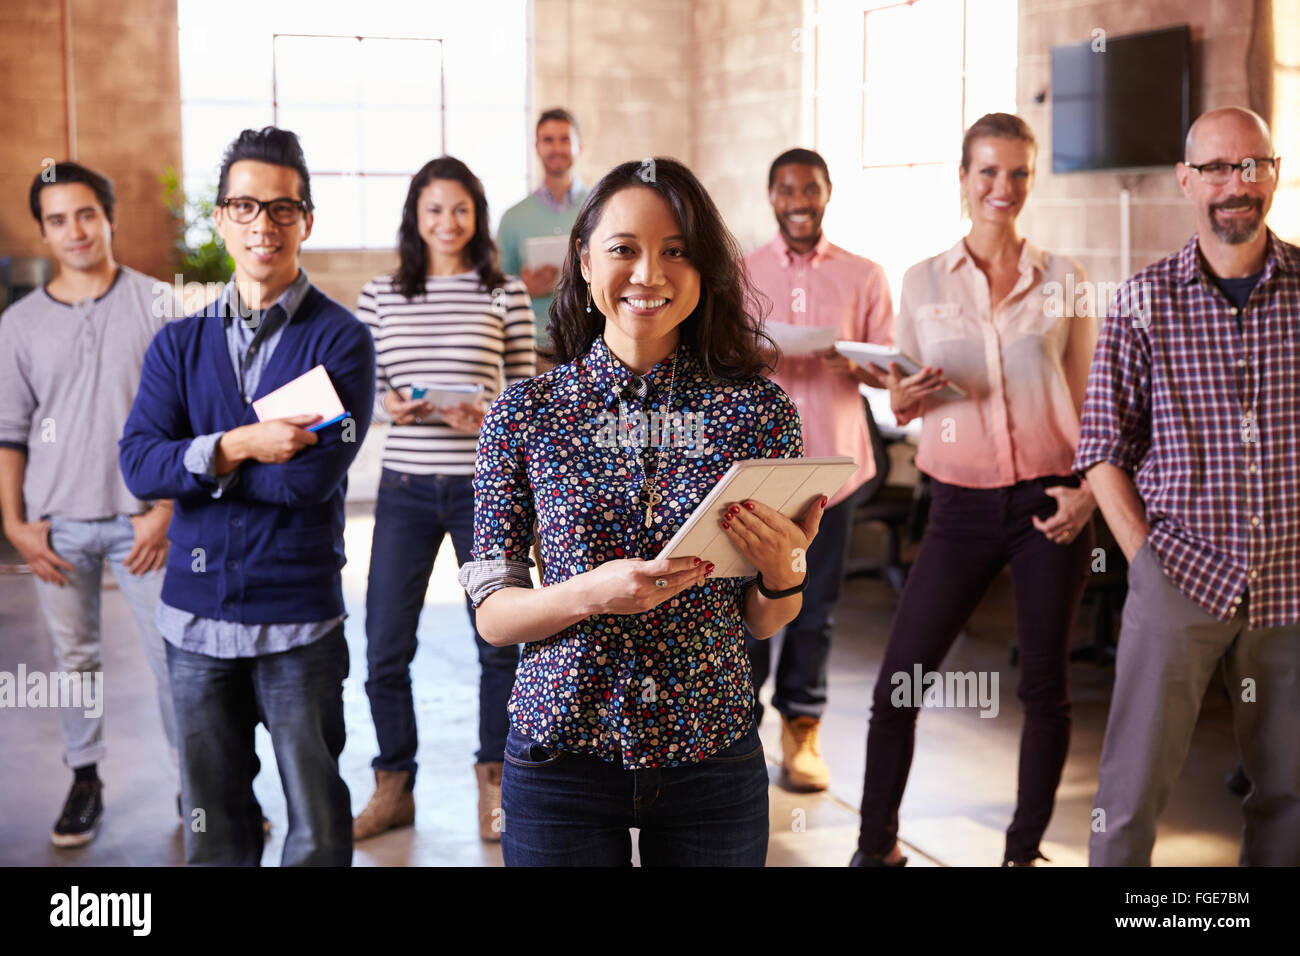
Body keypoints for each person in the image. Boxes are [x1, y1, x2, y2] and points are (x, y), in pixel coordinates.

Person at [457, 157, 826, 866]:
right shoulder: (525, 414)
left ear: (704, 268)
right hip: (559, 752)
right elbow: (495, 616)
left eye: (676, 251)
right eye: (625, 249)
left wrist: (785, 575)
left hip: (710, 752)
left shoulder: (758, 413)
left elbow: (763, 615)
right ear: (586, 262)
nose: (649, 274)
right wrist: (594, 593)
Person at [119, 127, 375, 866]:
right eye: (245, 205)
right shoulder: (178, 344)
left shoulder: (341, 342)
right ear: (223, 220)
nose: (264, 223)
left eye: (283, 208)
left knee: (318, 827)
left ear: (306, 221)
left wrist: (194, 464)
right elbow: (138, 465)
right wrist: (238, 444)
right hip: (193, 625)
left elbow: (309, 480)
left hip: (297, 621)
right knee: (213, 826)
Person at [854, 113, 1099, 867]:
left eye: (1018, 173)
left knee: (1044, 691)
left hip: (1049, 508)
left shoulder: (1066, 280)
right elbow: (901, 406)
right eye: (988, 172)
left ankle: (1022, 854)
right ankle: (875, 851)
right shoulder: (921, 278)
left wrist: (1088, 495)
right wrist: (912, 393)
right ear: (963, 178)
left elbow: (1093, 403)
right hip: (957, 505)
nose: (1003, 188)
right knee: (898, 684)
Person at [1076, 106, 1300, 866]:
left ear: (1273, 173)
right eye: (1216, 169)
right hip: (1181, 573)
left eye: (1253, 166)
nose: (1236, 185)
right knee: (1131, 791)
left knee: (1292, 790)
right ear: (1185, 180)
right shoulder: (1142, 301)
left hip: (1293, 586)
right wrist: (1143, 558)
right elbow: (1101, 449)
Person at [353, 156, 535, 844]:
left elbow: (524, 392)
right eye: (433, 209)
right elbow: (362, 384)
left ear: (477, 217)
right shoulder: (380, 293)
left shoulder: (505, 292)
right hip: (402, 486)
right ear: (415, 216)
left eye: (460, 209)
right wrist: (387, 406)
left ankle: (497, 785)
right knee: (384, 644)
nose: (447, 222)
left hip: (481, 491)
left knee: (497, 640)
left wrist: (489, 412)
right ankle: (392, 786)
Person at [0, 161, 179, 848]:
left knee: (173, 658)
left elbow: (190, 420)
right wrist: (15, 522)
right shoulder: (19, 325)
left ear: (108, 218)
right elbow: (10, 432)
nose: (73, 231)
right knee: (75, 662)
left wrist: (167, 508)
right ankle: (84, 779)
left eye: (85, 215)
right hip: (58, 526)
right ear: (42, 230)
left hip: (146, 522)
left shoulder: (160, 304)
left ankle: (198, 788)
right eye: (56, 219)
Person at [744, 147, 895, 791]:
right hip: (754, 470)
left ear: (827, 193)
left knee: (816, 605)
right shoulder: (741, 270)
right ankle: (734, 727)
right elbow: (716, 357)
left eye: (810, 188)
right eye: (786, 188)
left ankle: (802, 729)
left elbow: (893, 367)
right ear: (771, 196)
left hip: (834, 469)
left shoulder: (864, 274)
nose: (799, 199)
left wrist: (856, 367)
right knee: (741, 601)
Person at [496, 108, 588, 368]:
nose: (556, 147)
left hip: (590, 346)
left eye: (564, 139)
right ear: (537, 147)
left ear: (579, 146)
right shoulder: (512, 218)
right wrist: (523, 291)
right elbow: (494, 294)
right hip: (532, 349)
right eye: (548, 140)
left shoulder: (602, 208)